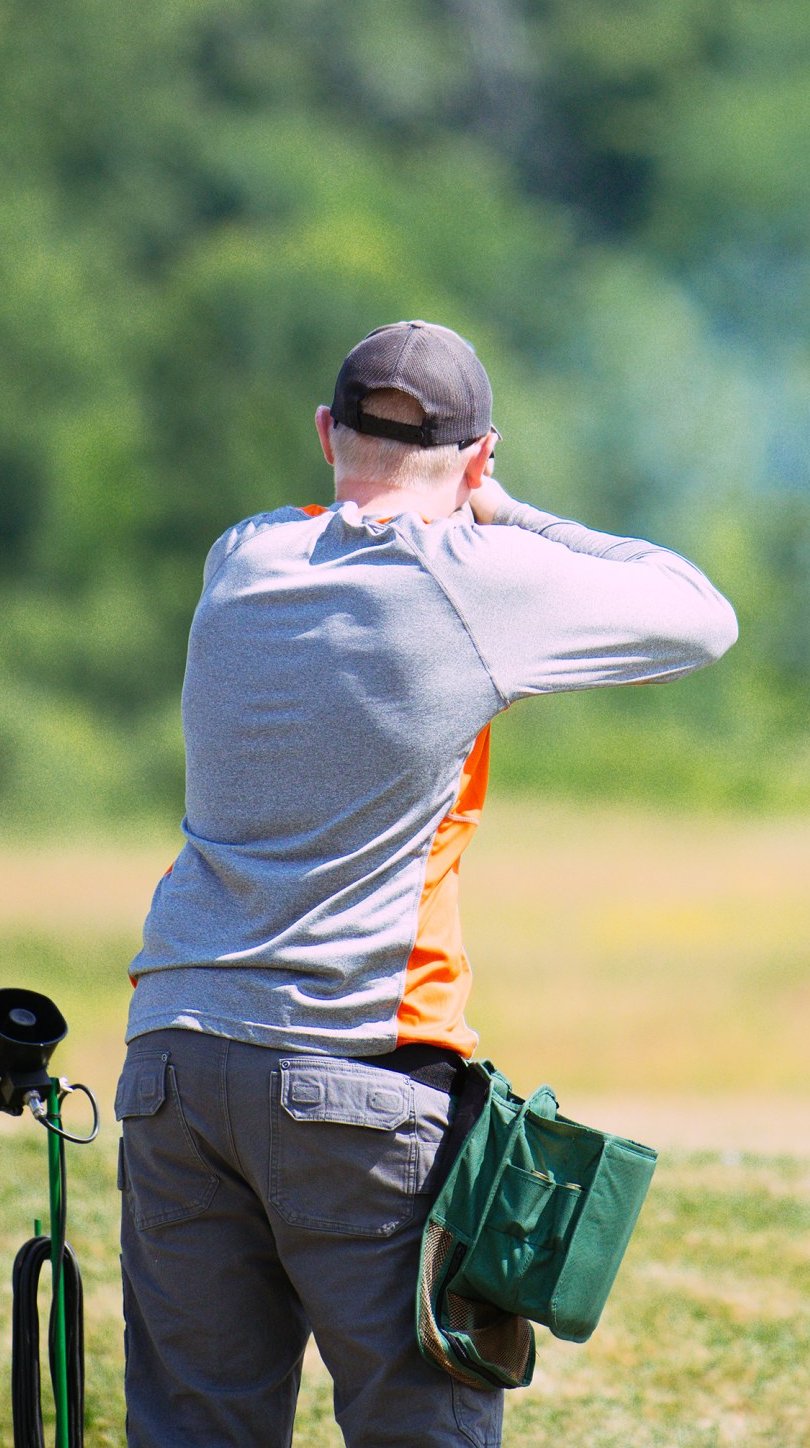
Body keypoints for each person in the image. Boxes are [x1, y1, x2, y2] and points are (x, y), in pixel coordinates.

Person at [115, 320, 738, 1448]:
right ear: (479, 455)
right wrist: (506, 515)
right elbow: (699, 614)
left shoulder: (243, 555)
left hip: (174, 1060)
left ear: (325, 434)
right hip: (357, 1070)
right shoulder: (471, 576)